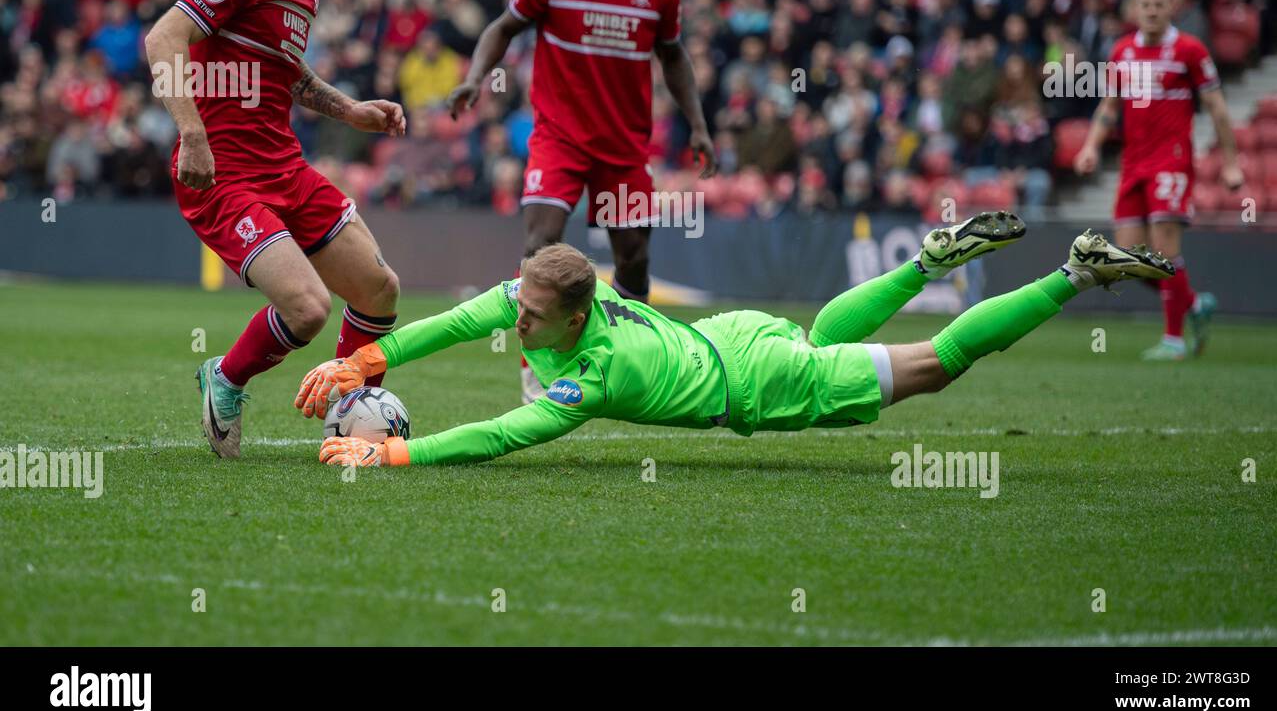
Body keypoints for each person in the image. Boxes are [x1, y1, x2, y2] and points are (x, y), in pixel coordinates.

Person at [295, 212, 1175, 469]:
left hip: (754, 387)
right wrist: (361, 358)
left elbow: (503, 434)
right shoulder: (542, 296)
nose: (511, 321)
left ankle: (1075, 272)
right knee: (826, 330)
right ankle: (926, 264)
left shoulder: (598, 370)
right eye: (514, 304)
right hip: (735, 337)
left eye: (526, 314)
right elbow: (451, 324)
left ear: (571, 317)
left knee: (937, 367)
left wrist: (393, 461)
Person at [144, 0, 405, 458]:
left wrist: (352, 110)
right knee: (310, 309)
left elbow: (289, 75)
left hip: (283, 164)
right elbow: (164, 37)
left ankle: (347, 411)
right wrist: (192, 132)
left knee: (379, 290)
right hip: (223, 174)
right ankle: (225, 379)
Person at [445, 0, 717, 404]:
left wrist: (700, 126)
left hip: (622, 145)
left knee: (634, 258)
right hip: (560, 138)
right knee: (539, 243)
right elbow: (503, 26)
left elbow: (673, 55)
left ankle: (624, 359)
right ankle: (533, 365)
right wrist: (475, 77)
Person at [1073, 0, 1243, 360]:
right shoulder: (1121, 51)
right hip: (1133, 163)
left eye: (1158, 4)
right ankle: (1195, 303)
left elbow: (1216, 107)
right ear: (1134, 9)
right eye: (1145, 5)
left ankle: (1173, 340)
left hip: (1172, 161)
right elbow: (1110, 107)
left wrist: (1231, 164)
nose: (1151, 11)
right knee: (1130, 257)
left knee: (1164, 253)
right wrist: (1090, 147)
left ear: (1171, 7)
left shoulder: (1189, 50)